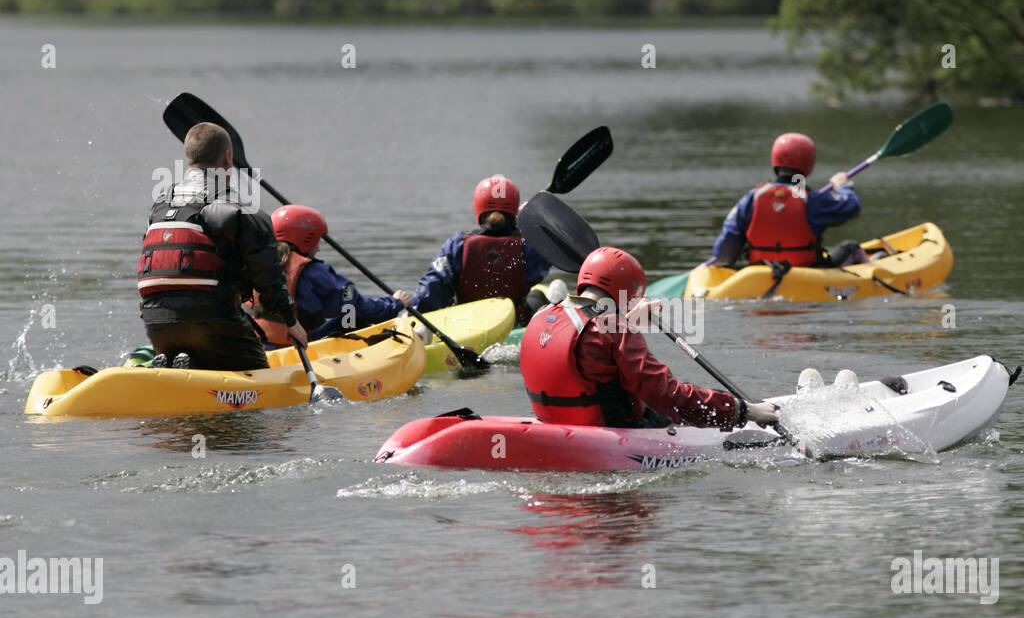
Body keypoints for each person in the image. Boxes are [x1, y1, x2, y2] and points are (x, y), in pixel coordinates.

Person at [520, 246, 779, 429]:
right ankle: (746, 409)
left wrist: (627, 322)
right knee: (695, 400)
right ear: (625, 293)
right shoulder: (615, 328)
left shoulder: (543, 314)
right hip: (614, 429)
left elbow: (588, 346)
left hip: (555, 422)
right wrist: (742, 411)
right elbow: (667, 396)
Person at [138, 122, 307, 370]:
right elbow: (269, 280)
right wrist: (291, 322)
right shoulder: (241, 210)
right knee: (259, 372)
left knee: (193, 348)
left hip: (157, 327)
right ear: (228, 158)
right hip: (216, 326)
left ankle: (178, 362)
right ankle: (197, 363)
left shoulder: (160, 207)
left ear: (189, 159)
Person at [247, 205, 411, 346]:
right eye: (317, 241)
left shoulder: (255, 263)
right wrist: (394, 303)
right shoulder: (313, 272)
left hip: (260, 343)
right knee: (354, 319)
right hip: (300, 345)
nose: (318, 249)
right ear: (307, 239)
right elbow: (354, 304)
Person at [710, 132, 865, 268]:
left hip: (759, 273)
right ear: (809, 163)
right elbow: (852, 206)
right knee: (851, 247)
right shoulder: (811, 201)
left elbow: (724, 252)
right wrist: (843, 186)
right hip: (806, 274)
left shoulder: (752, 199)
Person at [412, 175, 550, 324]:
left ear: (478, 207)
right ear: (514, 210)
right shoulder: (528, 246)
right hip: (514, 324)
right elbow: (550, 258)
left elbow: (429, 295)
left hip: (467, 326)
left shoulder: (458, 245)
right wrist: (530, 225)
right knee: (537, 296)